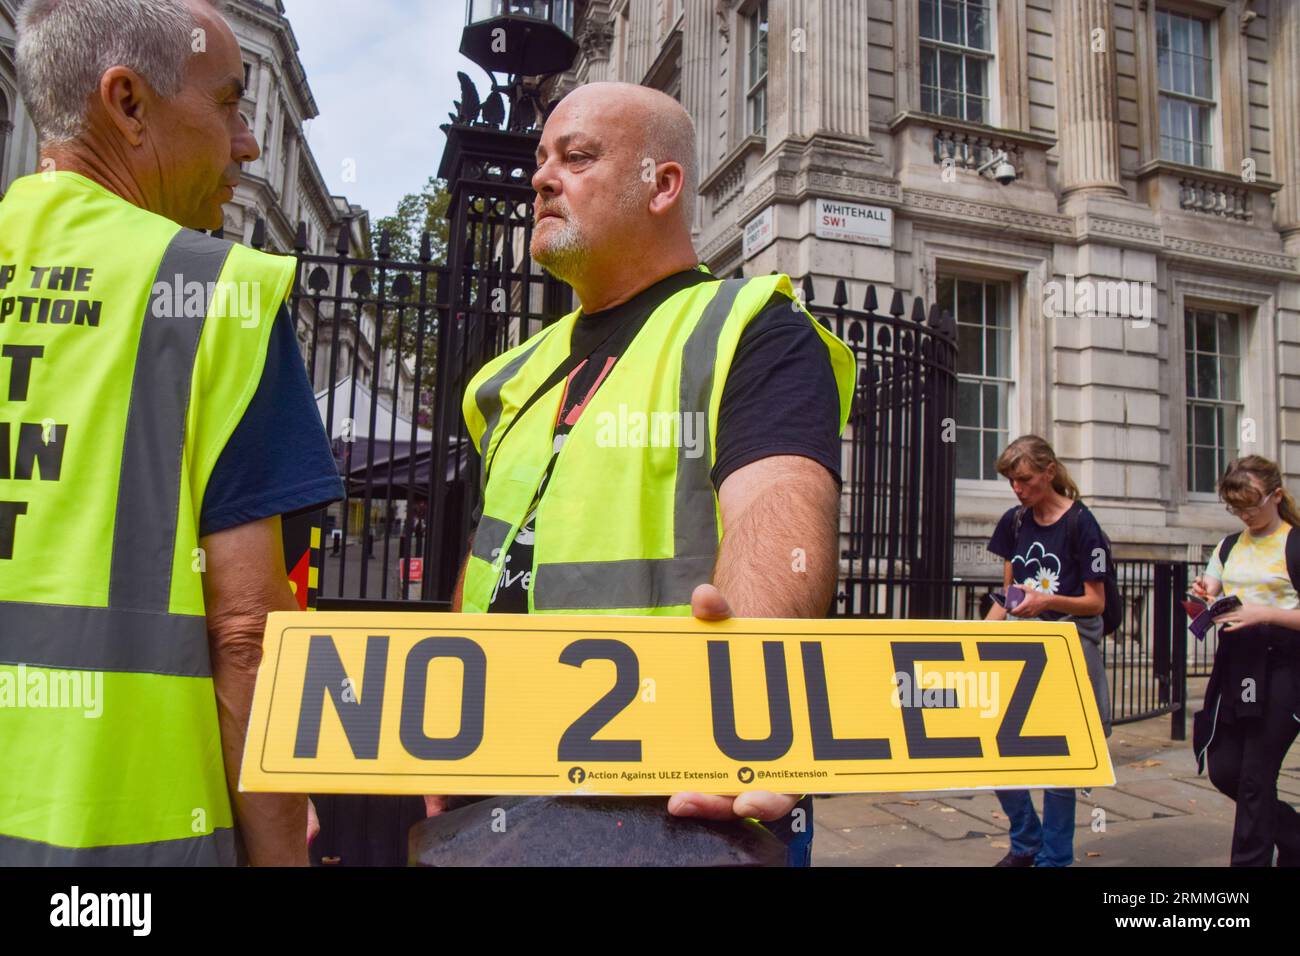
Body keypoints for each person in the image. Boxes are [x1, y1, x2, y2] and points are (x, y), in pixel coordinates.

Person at [436, 81, 857, 866]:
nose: (541, 177)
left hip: (674, 801)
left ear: (662, 185)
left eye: (578, 156)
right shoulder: (509, 375)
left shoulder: (750, 324)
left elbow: (779, 509)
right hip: (498, 784)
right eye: (540, 160)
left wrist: (744, 725)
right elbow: (495, 548)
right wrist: (448, 719)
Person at [0, 0, 342, 865]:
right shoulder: (218, 293)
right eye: (230, 103)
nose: (249, 143)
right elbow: (247, 638)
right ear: (128, 104)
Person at [983, 435, 1113, 867]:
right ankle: (1026, 840)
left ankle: (1054, 859)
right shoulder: (1015, 522)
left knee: (1062, 758)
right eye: (1011, 482)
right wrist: (977, 638)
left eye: (1024, 479)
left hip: (1068, 648)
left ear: (1049, 472)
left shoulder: (1081, 524)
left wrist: (1047, 602)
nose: (1018, 489)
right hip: (1020, 647)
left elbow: (1096, 603)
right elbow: (1010, 593)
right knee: (992, 746)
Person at [1190, 455, 1300, 866]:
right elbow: (1215, 584)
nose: (1245, 515)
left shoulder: (1295, 543)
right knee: (1224, 770)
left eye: (1251, 506)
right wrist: (1206, 592)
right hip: (1237, 668)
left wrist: (1264, 613)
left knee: (1256, 779)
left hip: (1285, 669)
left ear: (1276, 495)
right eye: (1236, 508)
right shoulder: (1229, 545)